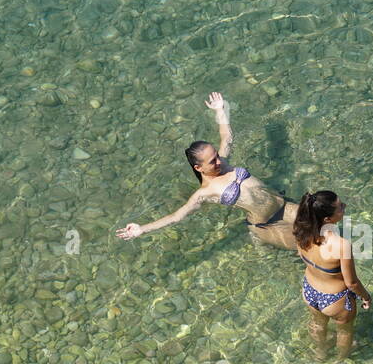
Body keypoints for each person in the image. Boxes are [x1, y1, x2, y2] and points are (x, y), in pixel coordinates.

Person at [115, 92, 298, 249]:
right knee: (312, 248)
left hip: (283, 205)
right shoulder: (204, 193)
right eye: (213, 161)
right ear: (198, 167)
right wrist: (142, 229)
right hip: (266, 224)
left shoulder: (223, 162)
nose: (219, 161)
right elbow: (176, 217)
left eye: (217, 156)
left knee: (326, 222)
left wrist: (220, 110)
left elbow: (226, 136)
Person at [292, 190, 371, 359]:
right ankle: (341, 360)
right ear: (327, 219)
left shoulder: (300, 232)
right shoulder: (342, 245)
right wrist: (366, 297)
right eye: (340, 207)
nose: (344, 207)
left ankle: (320, 352)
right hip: (335, 299)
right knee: (344, 331)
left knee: (318, 323)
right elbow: (352, 283)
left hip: (309, 291)